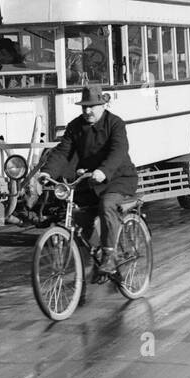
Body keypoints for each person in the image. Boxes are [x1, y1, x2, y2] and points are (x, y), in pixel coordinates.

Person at [37, 85, 138, 273]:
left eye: (92, 106)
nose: (88, 111)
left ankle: (109, 255)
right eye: (84, 107)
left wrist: (103, 171)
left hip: (118, 179)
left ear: (103, 105)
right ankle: (94, 257)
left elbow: (119, 151)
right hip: (90, 181)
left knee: (107, 205)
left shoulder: (115, 124)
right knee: (76, 213)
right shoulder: (75, 127)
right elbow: (62, 152)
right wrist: (47, 172)